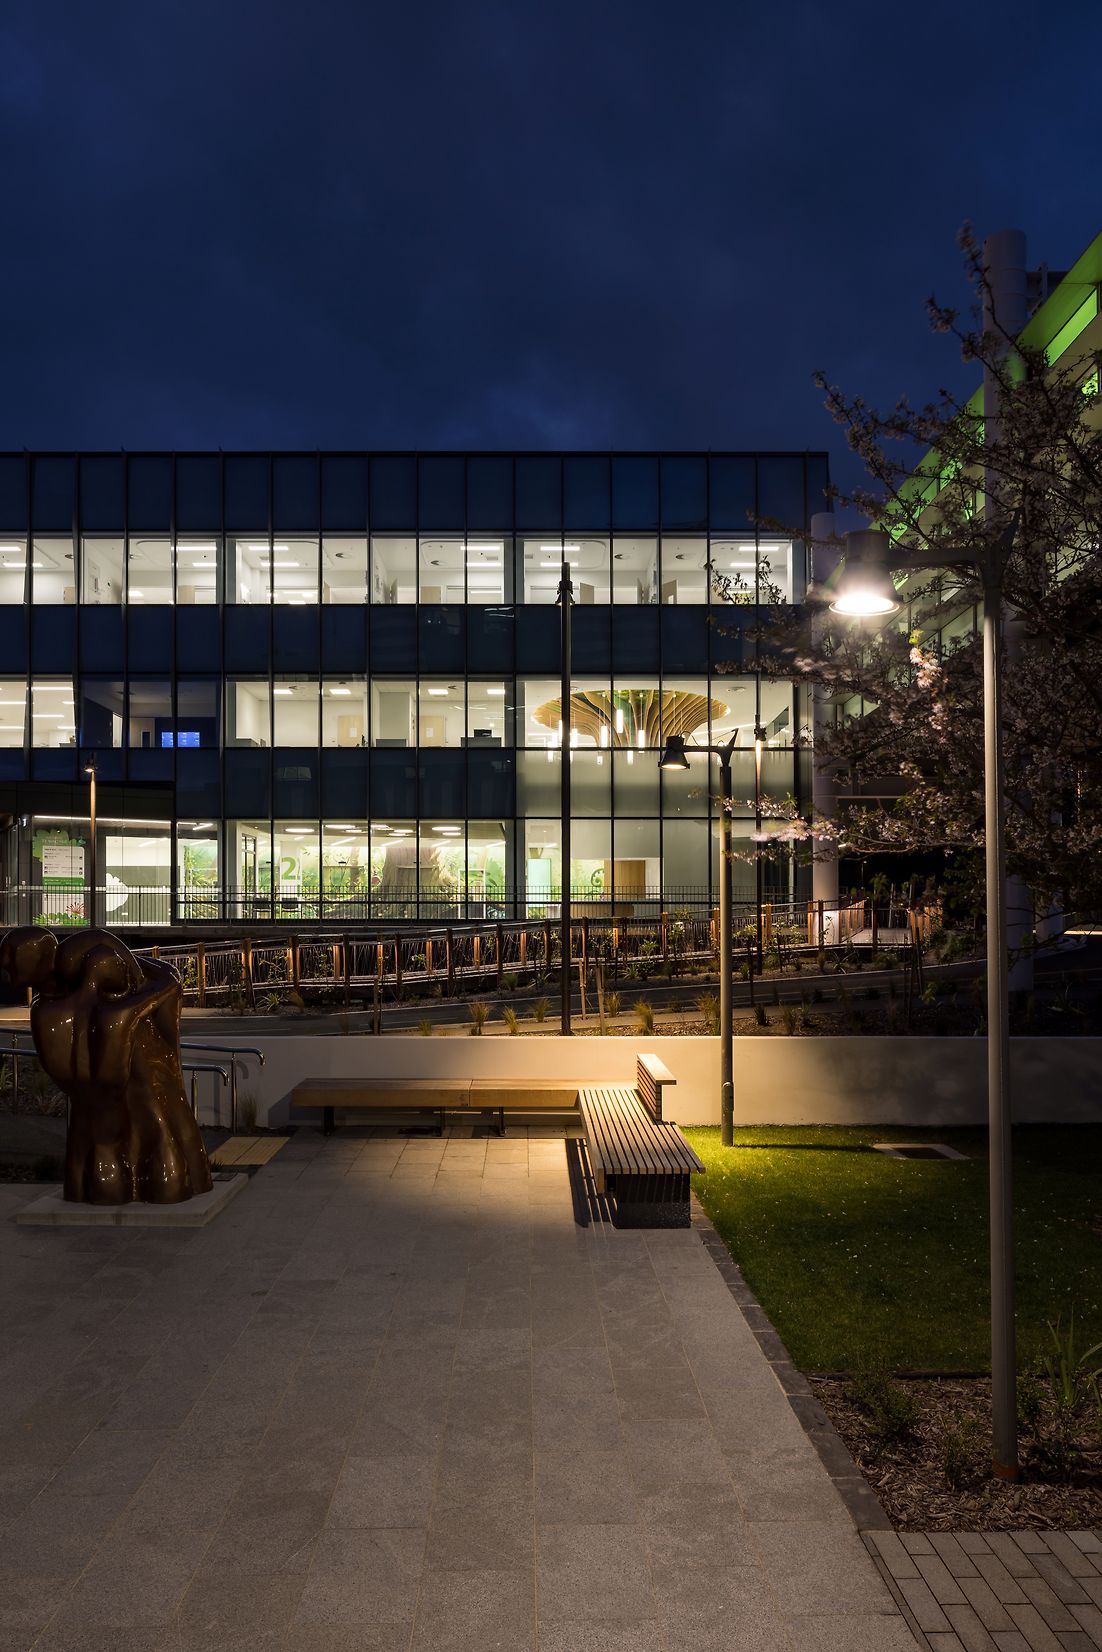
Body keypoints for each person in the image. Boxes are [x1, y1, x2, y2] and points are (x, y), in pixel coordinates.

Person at [0, 927, 212, 1204]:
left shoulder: (51, 1011)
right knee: (150, 1132)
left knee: (104, 1141)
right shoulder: (111, 1015)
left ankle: (99, 1187)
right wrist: (152, 987)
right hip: (118, 1101)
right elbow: (165, 978)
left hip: (98, 1109)